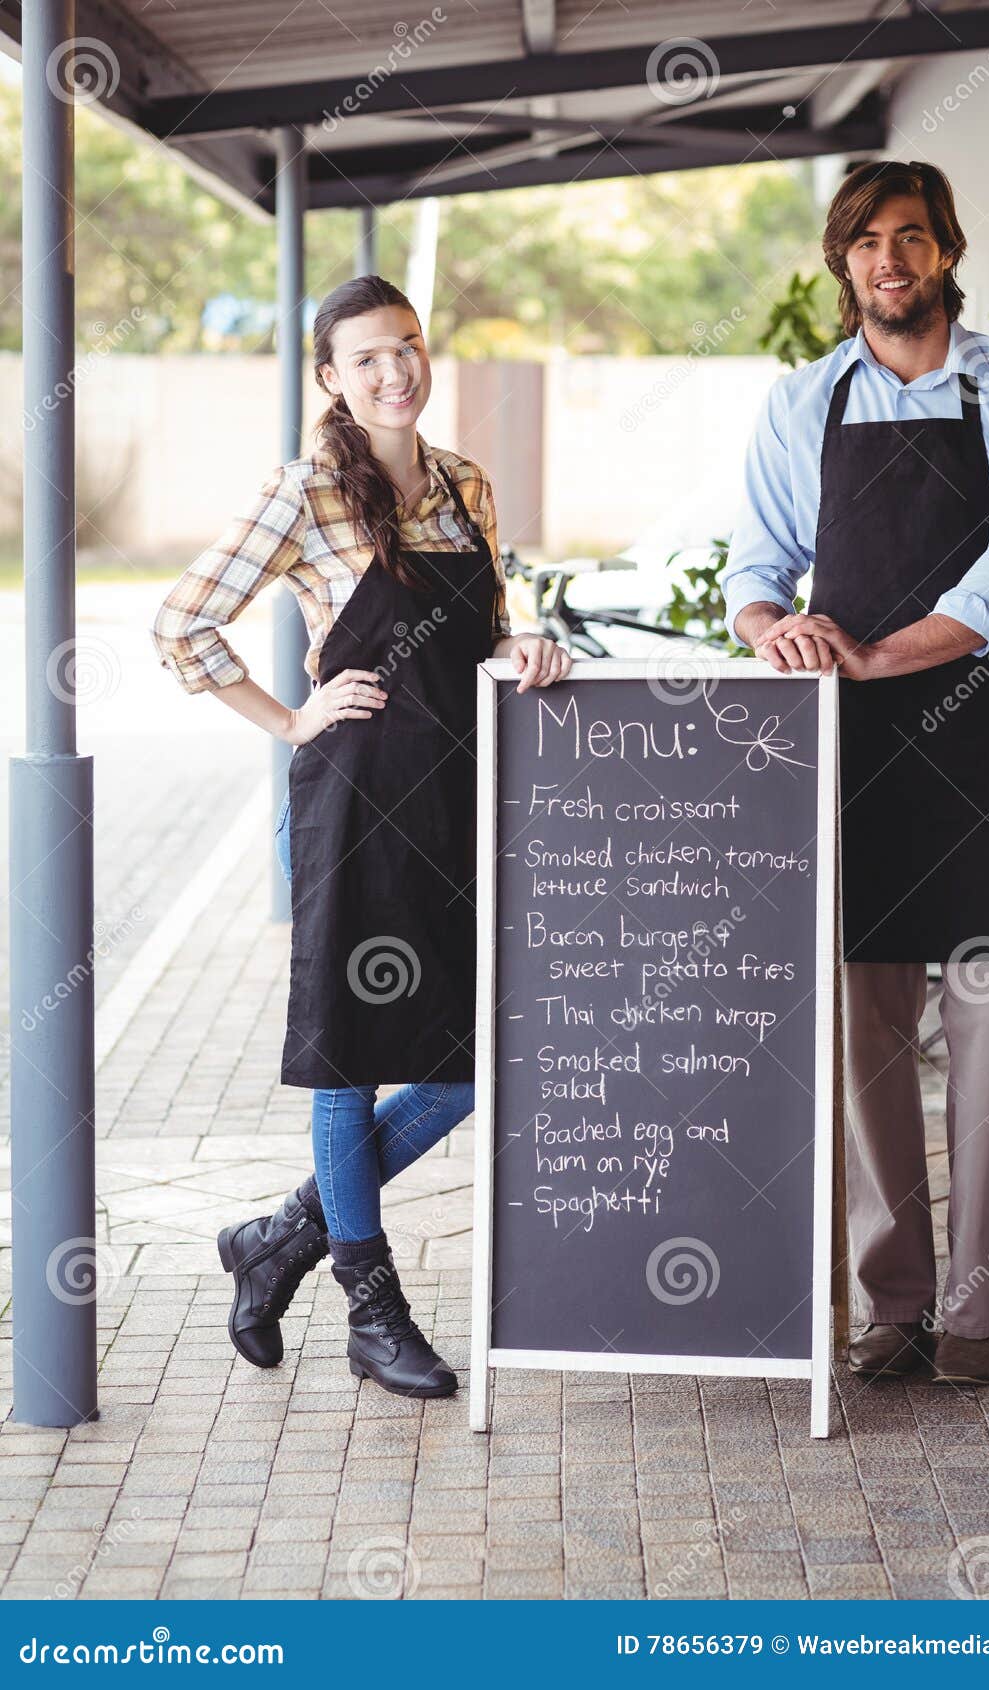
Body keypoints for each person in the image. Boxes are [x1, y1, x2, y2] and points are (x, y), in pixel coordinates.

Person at [151, 275, 572, 1398]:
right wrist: (289, 719)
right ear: (332, 378)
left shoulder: (466, 483)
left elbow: (474, 640)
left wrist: (522, 649)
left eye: (409, 347)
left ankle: (283, 1236)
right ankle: (370, 1306)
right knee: (348, 1061)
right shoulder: (304, 492)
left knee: (473, 1065)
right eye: (369, 357)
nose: (396, 370)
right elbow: (181, 621)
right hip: (348, 803)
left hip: (455, 797)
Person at [722, 161, 989, 1387]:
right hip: (852, 754)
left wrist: (867, 653)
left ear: (946, 252)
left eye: (910, 238)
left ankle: (972, 1318)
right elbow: (754, 568)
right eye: (866, 240)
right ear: (841, 261)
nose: (889, 260)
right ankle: (894, 1305)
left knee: (985, 1032)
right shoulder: (799, 403)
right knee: (864, 1031)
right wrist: (781, 633)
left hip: (974, 747)